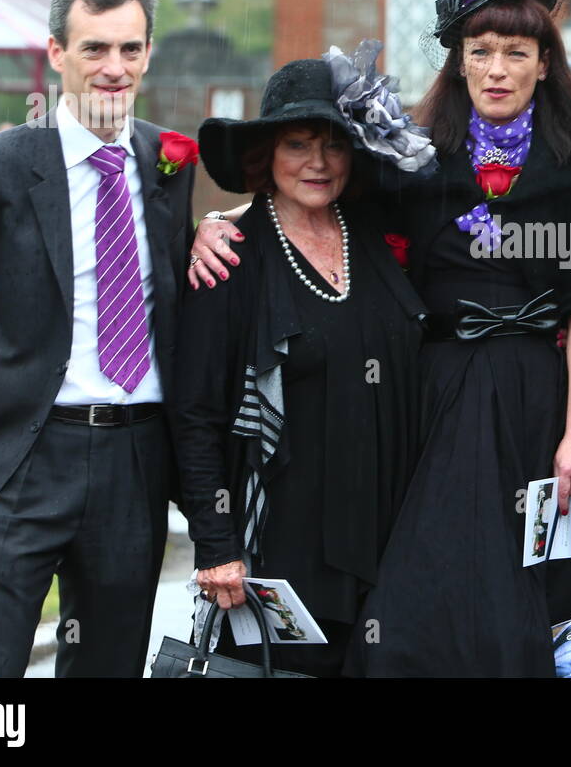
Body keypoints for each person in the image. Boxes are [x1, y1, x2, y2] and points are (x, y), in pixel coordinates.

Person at [193, 0, 571, 676]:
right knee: (419, 597)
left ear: (544, 66)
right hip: (433, 391)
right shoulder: (415, 160)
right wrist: (225, 217)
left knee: (528, 596)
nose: (497, 69)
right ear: (458, 62)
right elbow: (317, 196)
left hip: (535, 398)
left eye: (517, 53)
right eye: (480, 52)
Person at [0, 0, 195, 677]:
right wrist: (14, 390)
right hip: (22, 462)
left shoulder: (171, 162)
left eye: (130, 49)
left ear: (149, 53)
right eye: (94, 48)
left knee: (108, 667)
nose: (114, 68)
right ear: (57, 53)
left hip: (135, 464)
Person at [171, 56, 430, 677]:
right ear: (265, 155)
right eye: (297, 144)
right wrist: (215, 545)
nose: (318, 163)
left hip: (389, 532)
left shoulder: (375, 236)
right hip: (283, 543)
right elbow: (194, 413)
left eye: (335, 144)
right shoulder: (230, 261)